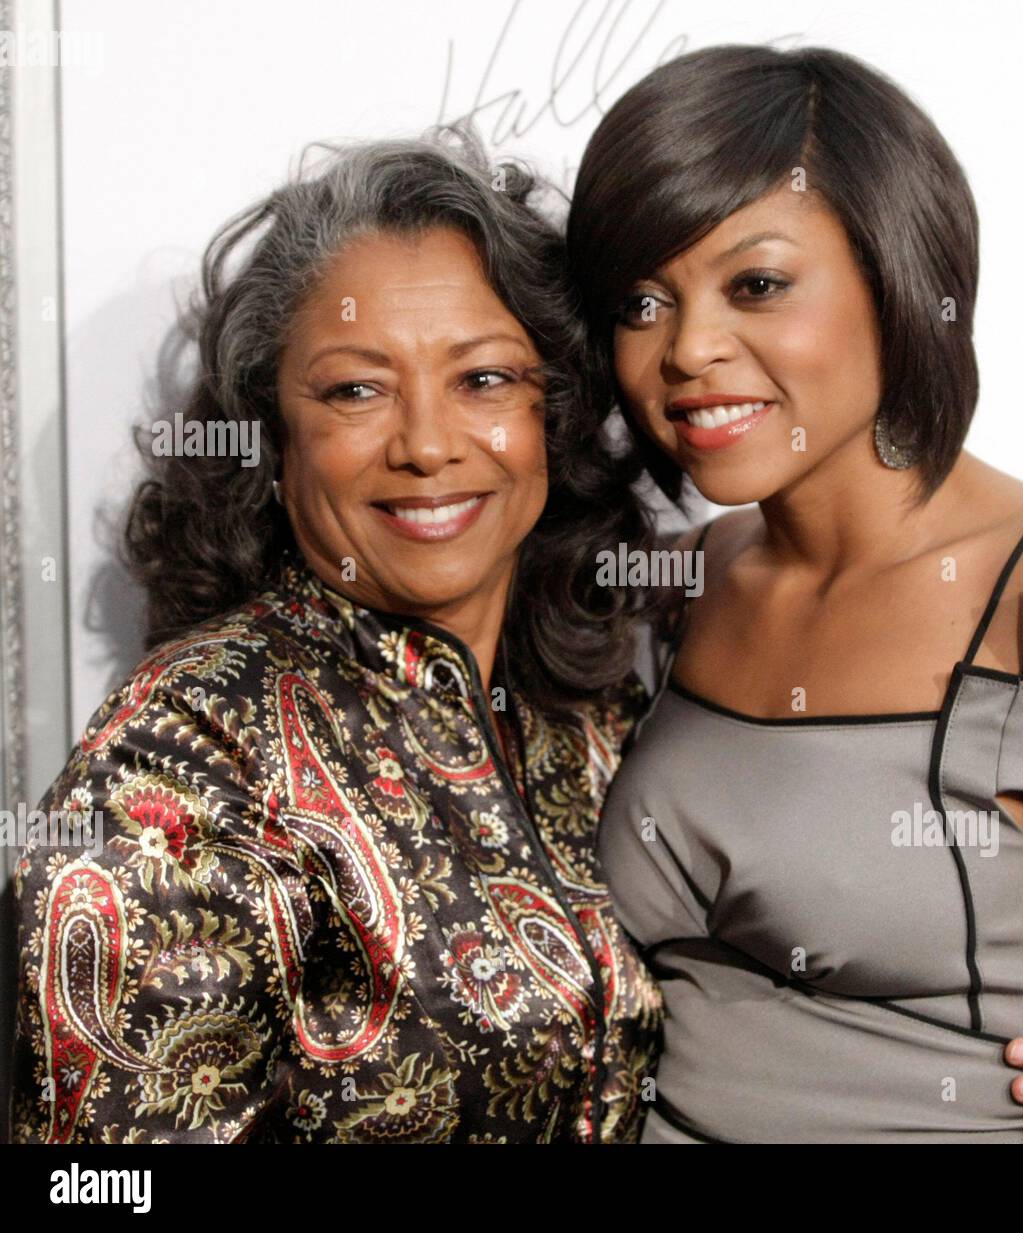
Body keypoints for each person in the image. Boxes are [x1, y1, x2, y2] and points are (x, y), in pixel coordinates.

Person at [567, 45, 1023, 1143]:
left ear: (893, 276)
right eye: (642, 302)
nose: (687, 349)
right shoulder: (686, 584)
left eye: (758, 284)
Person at [9, 131, 664, 1143]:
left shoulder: (603, 705)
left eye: (484, 379)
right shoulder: (182, 755)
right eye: (356, 390)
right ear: (274, 434)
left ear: (556, 410)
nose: (429, 444)